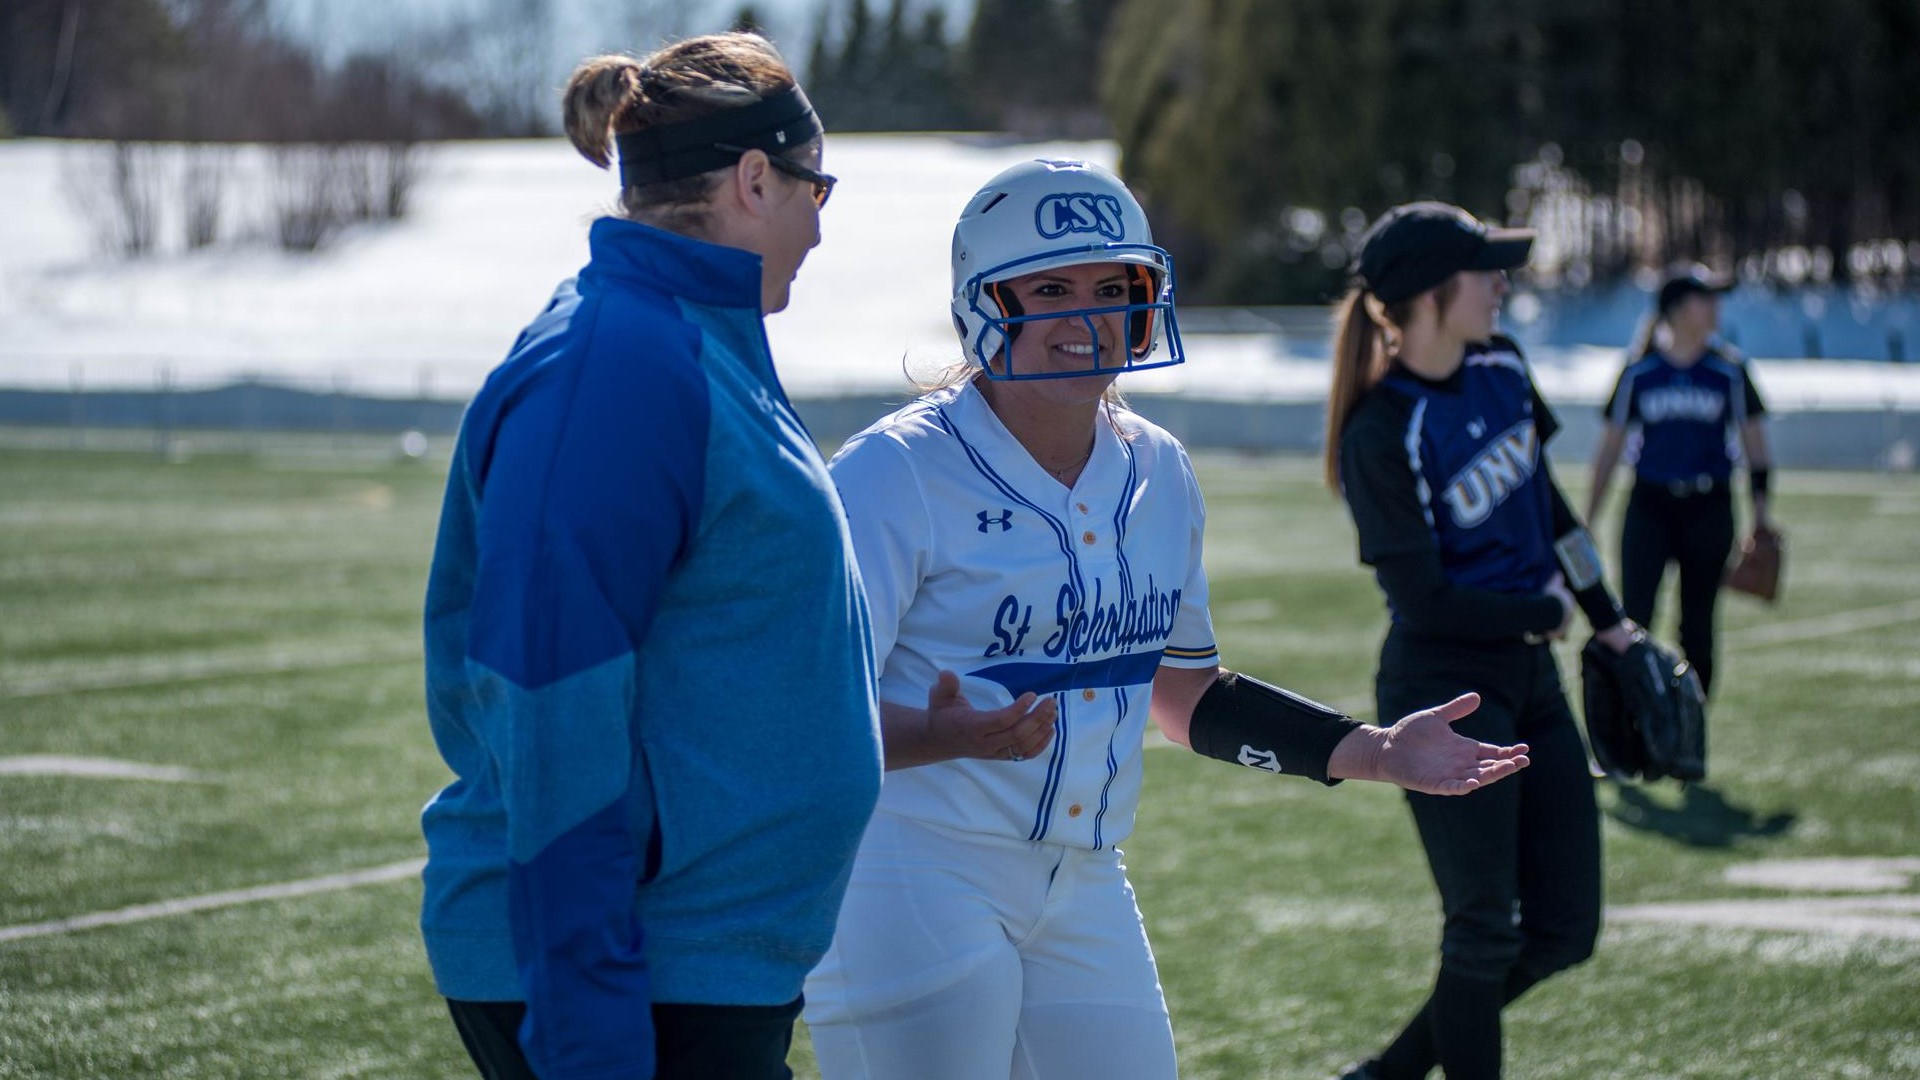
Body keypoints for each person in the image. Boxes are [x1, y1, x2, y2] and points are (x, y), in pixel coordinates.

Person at [801, 160, 1533, 1080]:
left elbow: (1182, 696)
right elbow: (793, 718)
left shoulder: (1157, 470)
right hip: (909, 866)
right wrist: (941, 735)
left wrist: (1373, 751)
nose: (1088, 316)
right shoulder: (892, 475)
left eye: (1115, 287)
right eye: (1051, 289)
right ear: (983, 304)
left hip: (1083, 868)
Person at [417, 33, 881, 1080]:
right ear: (755, 180)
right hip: (634, 977)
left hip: (698, 968)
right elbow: (551, 705)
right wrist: (590, 1036)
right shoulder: (621, 362)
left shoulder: (689, 339)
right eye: (819, 188)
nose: (820, 223)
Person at [1322, 202, 1639, 1080]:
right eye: (1484, 270)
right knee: (1483, 928)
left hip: (1528, 677)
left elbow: (1553, 508)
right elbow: (1421, 599)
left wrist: (1607, 618)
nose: (1502, 285)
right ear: (1430, 293)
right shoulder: (1380, 431)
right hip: (1443, 689)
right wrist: (1543, 616)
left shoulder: (1502, 364)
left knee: (1564, 930)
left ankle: (1382, 1076)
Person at [1585, 269, 1775, 698]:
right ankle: (1630, 725)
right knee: (1634, 617)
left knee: (1698, 623)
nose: (1715, 309)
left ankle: (1690, 731)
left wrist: (1761, 516)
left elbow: (1756, 449)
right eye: (1705, 300)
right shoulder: (1639, 371)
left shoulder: (1729, 370)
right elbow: (1609, 451)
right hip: (1650, 505)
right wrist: (1589, 518)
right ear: (1678, 310)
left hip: (1709, 507)